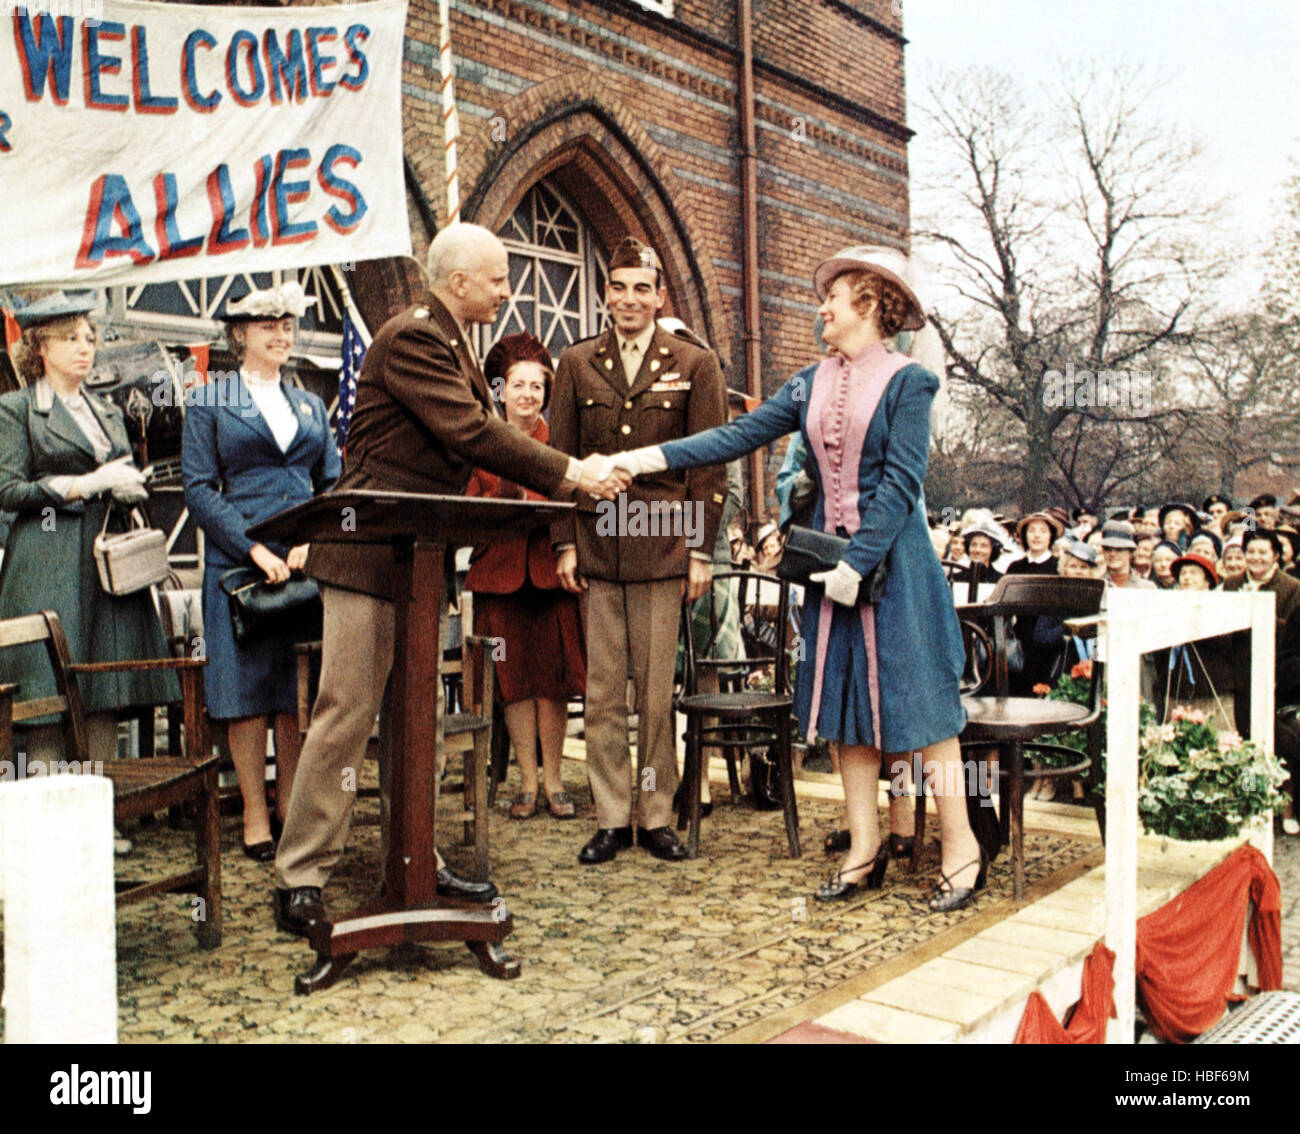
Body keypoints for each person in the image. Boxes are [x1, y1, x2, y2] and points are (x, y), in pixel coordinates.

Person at [272, 224, 625, 936]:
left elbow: (478, 442)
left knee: (420, 720)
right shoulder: (414, 336)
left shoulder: (452, 340)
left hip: (417, 560)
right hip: (368, 555)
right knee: (346, 714)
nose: (506, 291)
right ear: (457, 281)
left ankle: (414, 862)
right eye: (497, 279)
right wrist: (570, 471)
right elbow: (472, 433)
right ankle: (300, 876)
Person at [610, 244, 986, 911]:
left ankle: (962, 850)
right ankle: (864, 849)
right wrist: (647, 457)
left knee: (927, 713)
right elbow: (735, 436)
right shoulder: (808, 383)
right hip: (828, 573)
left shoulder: (909, 383)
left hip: (897, 574)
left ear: (868, 303)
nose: (823, 309)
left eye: (832, 298)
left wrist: (856, 564)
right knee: (845, 712)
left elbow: (902, 485)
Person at [550, 235, 728, 866]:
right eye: (619, 287)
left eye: (641, 289)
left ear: (659, 297)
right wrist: (564, 542)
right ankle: (609, 817)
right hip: (598, 546)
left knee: (655, 694)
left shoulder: (694, 364)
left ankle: (654, 814)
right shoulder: (576, 362)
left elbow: (708, 465)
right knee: (602, 693)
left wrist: (700, 551)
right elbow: (562, 461)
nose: (629, 299)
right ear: (606, 293)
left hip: (661, 546)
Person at [183, 282, 341, 861]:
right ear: (239, 334)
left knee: (293, 693)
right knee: (245, 692)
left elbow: (332, 484)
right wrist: (253, 549)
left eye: (287, 324)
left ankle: (290, 804)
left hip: (300, 568)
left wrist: (310, 540)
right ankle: (253, 810)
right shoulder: (209, 401)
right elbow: (199, 489)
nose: (281, 333)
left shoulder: (310, 404)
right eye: (267, 324)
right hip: (239, 569)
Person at [0, 292, 176, 774]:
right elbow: (9, 491)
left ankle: (100, 800)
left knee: (104, 691)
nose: (85, 347)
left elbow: (120, 470)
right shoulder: (17, 409)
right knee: (46, 696)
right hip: (48, 562)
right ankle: (43, 803)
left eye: (89, 338)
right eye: (70, 338)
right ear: (41, 347)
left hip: (107, 565)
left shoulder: (107, 411)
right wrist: (85, 485)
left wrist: (128, 488)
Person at [464, 333, 585, 820]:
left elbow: (574, 499)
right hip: (499, 577)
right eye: (518, 385)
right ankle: (527, 782)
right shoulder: (482, 443)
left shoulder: (561, 444)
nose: (528, 395)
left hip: (552, 577)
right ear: (500, 390)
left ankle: (555, 781)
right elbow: (467, 506)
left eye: (537, 386)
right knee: (512, 681)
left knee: (553, 681)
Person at [1100, 520, 1155, 589]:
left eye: (1119, 549)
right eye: (1108, 549)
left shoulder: (1147, 587)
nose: (1112, 554)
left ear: (1130, 552)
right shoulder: (1095, 585)